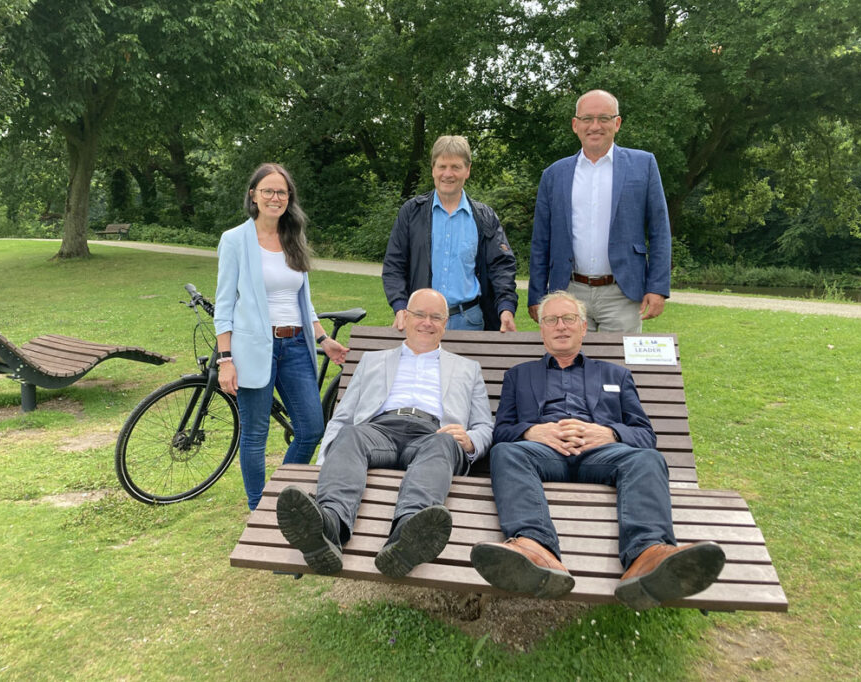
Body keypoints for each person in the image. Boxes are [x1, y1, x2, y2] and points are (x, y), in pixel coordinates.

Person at [470, 291, 725, 609]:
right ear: (542, 330)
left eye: (569, 319)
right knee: (506, 453)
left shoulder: (615, 375)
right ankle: (536, 549)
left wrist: (608, 432)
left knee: (646, 459)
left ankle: (647, 557)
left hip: (601, 457)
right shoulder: (519, 375)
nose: (560, 326)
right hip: (542, 454)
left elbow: (645, 435)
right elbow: (502, 432)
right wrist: (534, 430)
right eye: (551, 320)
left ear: (584, 327)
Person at [275, 289, 493, 578]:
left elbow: (484, 426)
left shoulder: (468, 369)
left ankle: (407, 537)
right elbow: (343, 417)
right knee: (351, 434)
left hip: (434, 434)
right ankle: (329, 527)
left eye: (436, 317)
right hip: (379, 430)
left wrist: (471, 441)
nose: (427, 322)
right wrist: (322, 464)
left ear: (445, 323)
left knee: (443, 442)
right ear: (405, 316)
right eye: (420, 315)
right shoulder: (373, 361)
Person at [214, 163, 348, 510]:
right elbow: (225, 304)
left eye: (282, 192)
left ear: (289, 198)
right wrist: (225, 359)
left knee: (311, 428)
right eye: (268, 191)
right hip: (253, 349)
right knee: (255, 435)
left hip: (296, 347)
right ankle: (259, 509)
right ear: (253, 195)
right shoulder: (234, 240)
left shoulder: (294, 237)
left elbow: (303, 300)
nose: (275, 197)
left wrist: (322, 338)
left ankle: (281, 497)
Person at [528, 90, 672, 333]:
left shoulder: (643, 165)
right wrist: (536, 295)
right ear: (575, 125)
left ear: (617, 123)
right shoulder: (554, 174)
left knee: (617, 369)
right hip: (568, 293)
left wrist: (657, 287)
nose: (595, 126)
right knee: (569, 368)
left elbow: (660, 231)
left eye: (604, 118)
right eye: (587, 119)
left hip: (623, 295)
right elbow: (541, 240)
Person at [383, 135, 518, 333]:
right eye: (442, 166)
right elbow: (394, 265)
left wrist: (506, 307)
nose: (448, 174)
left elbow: (502, 266)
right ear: (433, 169)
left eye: (456, 167)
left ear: (468, 170)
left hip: (469, 322)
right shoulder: (412, 212)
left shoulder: (484, 216)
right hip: (420, 322)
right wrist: (400, 305)